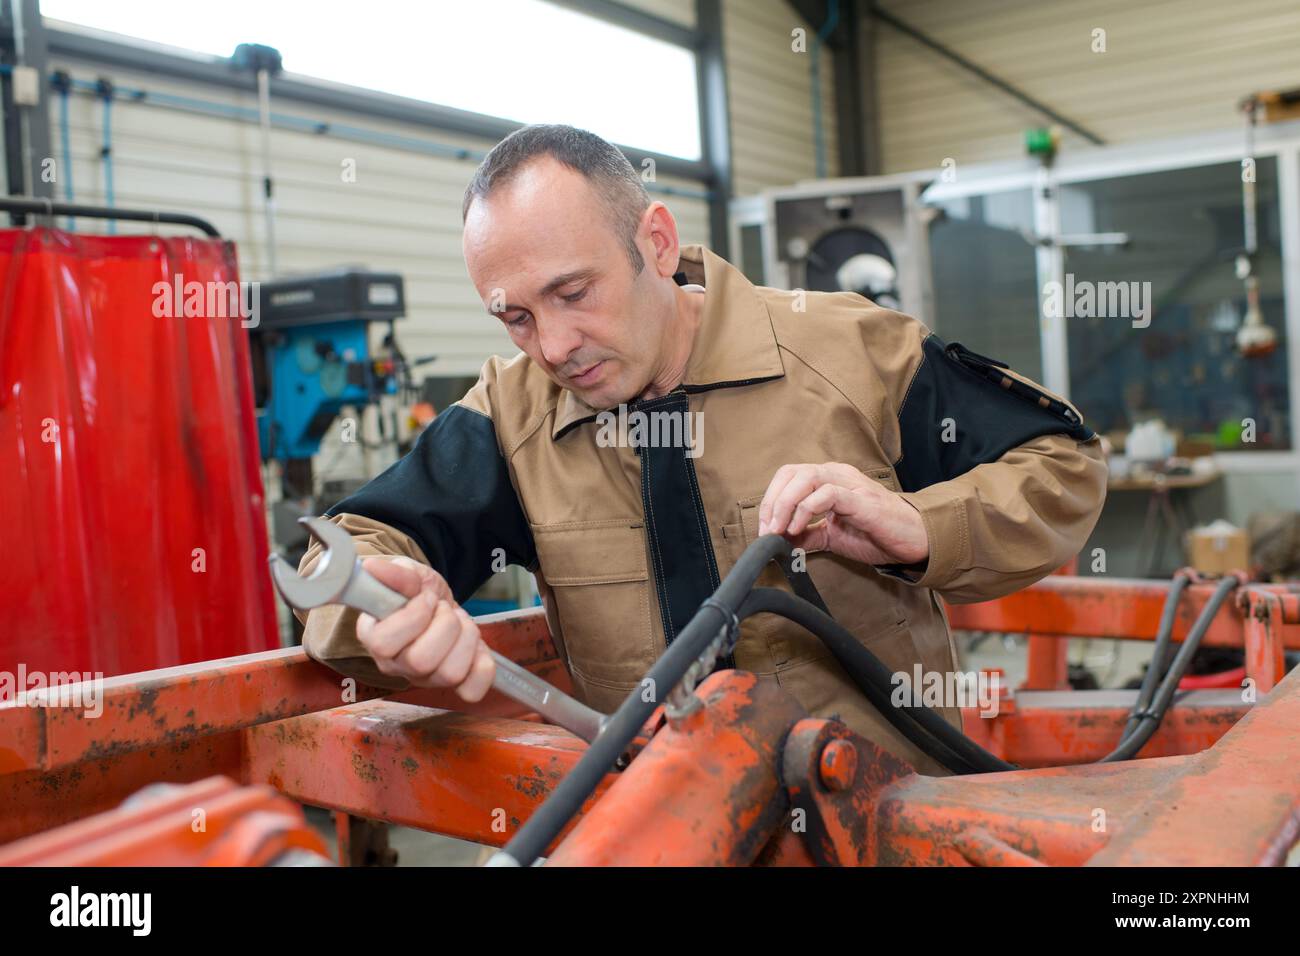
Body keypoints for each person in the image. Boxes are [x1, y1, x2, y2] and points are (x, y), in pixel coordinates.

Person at [295, 124, 1107, 774]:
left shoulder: (847, 351)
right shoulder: (513, 418)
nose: (553, 344)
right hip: (662, 823)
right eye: (516, 317)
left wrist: (920, 527)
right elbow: (346, 554)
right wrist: (380, 606)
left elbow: (1062, 464)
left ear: (654, 241)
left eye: (574, 293)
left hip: (882, 824)